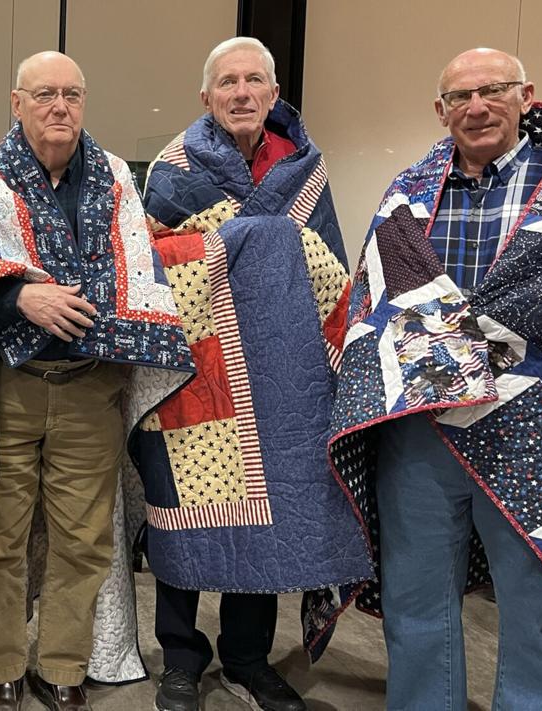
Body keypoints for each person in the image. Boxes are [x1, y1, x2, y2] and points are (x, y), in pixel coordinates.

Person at [328, 47, 542, 709]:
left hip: (540, 427)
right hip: (421, 427)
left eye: (493, 90)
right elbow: (375, 303)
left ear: (526, 95)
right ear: (441, 110)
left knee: (536, 614)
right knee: (415, 604)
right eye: (459, 96)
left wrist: (483, 340)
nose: (477, 106)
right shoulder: (410, 191)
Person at [0, 51, 193, 711]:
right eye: (45, 94)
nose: (60, 106)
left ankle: (61, 667)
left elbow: (135, 264)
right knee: (2, 532)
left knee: (84, 537)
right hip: (11, 381)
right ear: (16, 101)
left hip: (93, 383)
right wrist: (17, 300)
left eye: (72, 94)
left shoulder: (113, 176)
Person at [141, 36, 369, 711]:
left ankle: (246, 658)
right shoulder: (174, 167)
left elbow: (324, 261)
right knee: (184, 510)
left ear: (274, 95)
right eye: (228, 82)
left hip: (283, 374)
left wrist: (254, 239)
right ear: (205, 97)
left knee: (270, 515)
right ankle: (181, 659)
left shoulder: (305, 170)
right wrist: (251, 239)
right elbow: (151, 260)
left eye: (254, 81)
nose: (242, 92)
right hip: (198, 372)